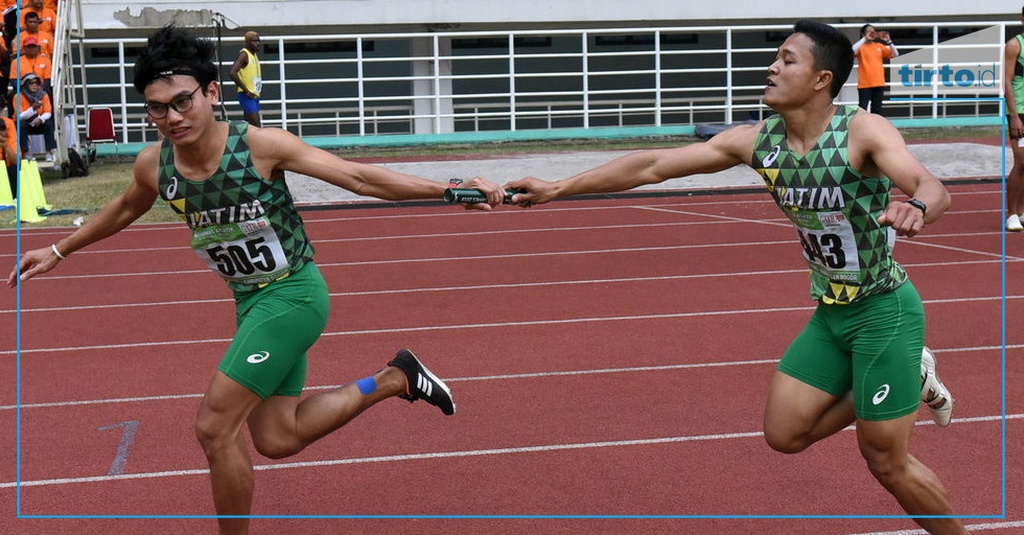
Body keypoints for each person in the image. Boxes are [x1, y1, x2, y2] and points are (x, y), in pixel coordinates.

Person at [7, 25, 505, 535]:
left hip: (293, 296)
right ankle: (395, 378)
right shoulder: (155, 164)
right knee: (278, 438)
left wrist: (450, 189)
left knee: (214, 427)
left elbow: (358, 178)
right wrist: (59, 249)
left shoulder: (261, 147)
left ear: (212, 93)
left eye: (182, 102)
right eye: (157, 108)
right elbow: (125, 207)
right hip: (249, 304)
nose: (172, 118)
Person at [505, 20, 966, 535]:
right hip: (832, 311)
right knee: (784, 434)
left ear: (822, 79)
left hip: (885, 309)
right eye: (776, 57)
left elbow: (932, 186)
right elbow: (655, 166)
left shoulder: (862, 131)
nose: (772, 67)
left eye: (788, 60)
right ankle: (911, 375)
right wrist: (558, 188)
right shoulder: (757, 141)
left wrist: (917, 206)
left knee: (885, 461)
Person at [1003, 7, 1024, 232]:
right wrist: (1015, 116)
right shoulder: (1015, 45)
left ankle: (1022, 211)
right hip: (1021, 111)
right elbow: (1007, 81)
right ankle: (1012, 214)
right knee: (1021, 162)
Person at [853, 23, 898, 115]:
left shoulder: (879, 46)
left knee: (877, 109)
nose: (872, 33)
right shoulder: (860, 47)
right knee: (862, 109)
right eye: (869, 32)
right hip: (865, 83)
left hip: (879, 82)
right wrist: (864, 38)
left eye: (873, 32)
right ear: (863, 34)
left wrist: (889, 41)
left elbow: (895, 54)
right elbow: (852, 51)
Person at [15, 72, 55, 161]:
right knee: (21, 124)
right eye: (31, 83)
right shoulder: (18, 96)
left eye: (36, 83)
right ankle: (25, 153)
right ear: (25, 84)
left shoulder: (43, 95)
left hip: (38, 122)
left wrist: (40, 119)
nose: (34, 85)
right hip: (25, 122)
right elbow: (19, 116)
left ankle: (49, 152)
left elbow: (48, 112)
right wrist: (32, 109)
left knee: (48, 123)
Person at [229, 31, 262, 127]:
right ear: (247, 42)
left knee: (250, 125)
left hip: (254, 95)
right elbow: (232, 72)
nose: (258, 43)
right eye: (254, 41)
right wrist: (246, 90)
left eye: (258, 41)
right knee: (255, 124)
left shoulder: (253, 55)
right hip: (247, 95)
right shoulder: (244, 54)